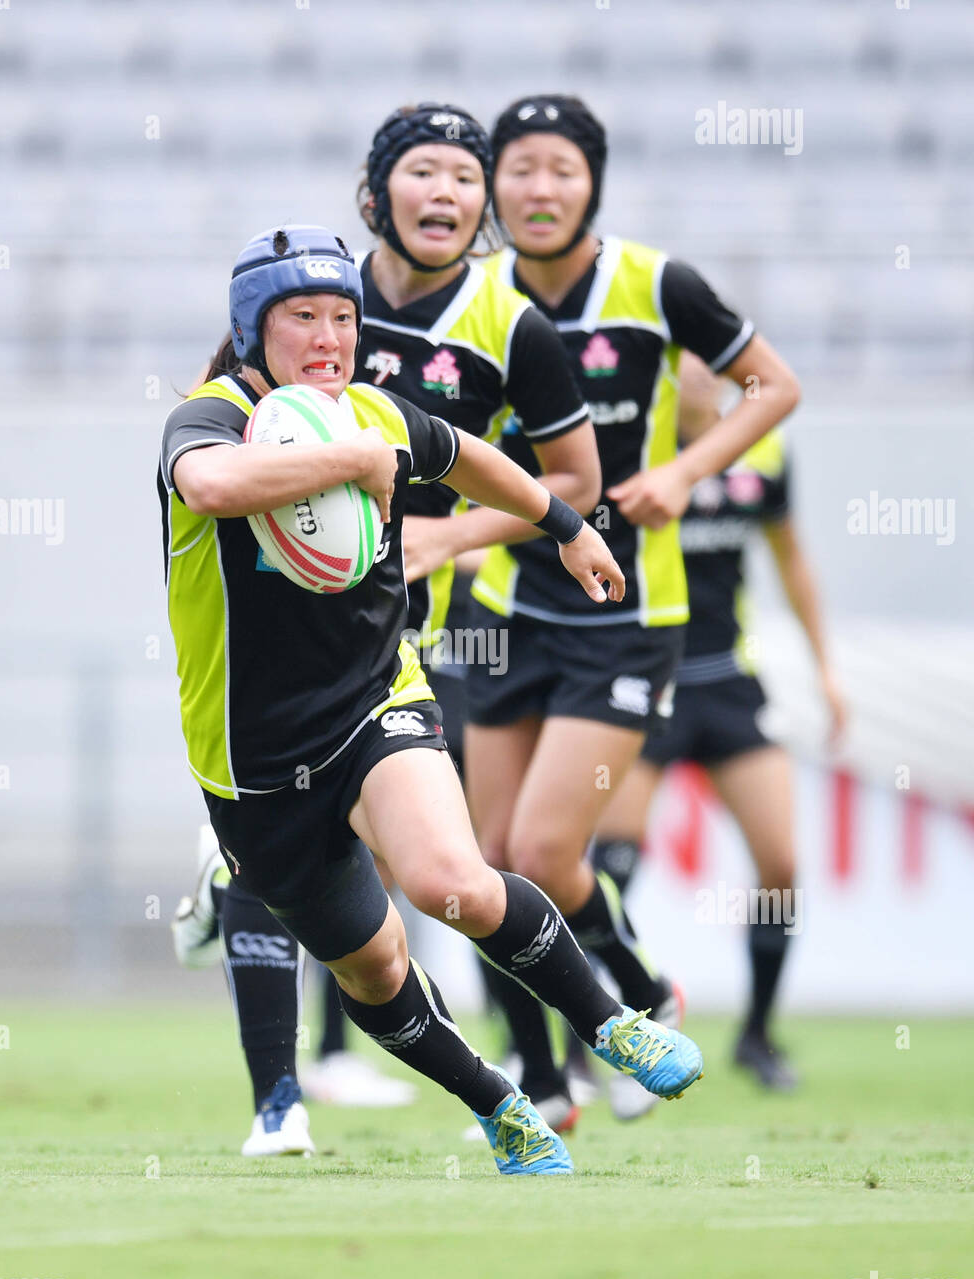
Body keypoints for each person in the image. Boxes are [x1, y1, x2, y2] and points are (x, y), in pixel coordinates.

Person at [157, 221, 705, 1177]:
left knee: (450, 880)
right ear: (252, 330)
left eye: (343, 317)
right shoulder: (207, 417)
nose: (329, 337)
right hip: (248, 759)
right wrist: (355, 465)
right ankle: (496, 1100)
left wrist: (566, 523)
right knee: (371, 968)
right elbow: (209, 487)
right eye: (302, 319)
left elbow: (467, 459)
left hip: (377, 701)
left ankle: (614, 1023)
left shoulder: (371, 408)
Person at [413, 94, 801, 1124]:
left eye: (562, 169)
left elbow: (772, 384)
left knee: (543, 853)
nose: (539, 189)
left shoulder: (653, 283)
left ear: (593, 181)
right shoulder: (474, 297)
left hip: (627, 617)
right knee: (482, 866)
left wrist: (682, 471)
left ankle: (637, 992)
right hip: (501, 607)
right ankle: (543, 1079)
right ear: (492, 185)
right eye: (520, 169)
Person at [594, 351, 846, 1090]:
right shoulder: (630, 447)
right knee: (608, 869)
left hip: (730, 683)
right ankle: (601, 1026)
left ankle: (757, 1036)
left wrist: (825, 667)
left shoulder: (762, 447)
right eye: (682, 363)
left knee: (781, 866)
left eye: (713, 364)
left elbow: (791, 555)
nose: (699, 378)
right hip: (647, 680)